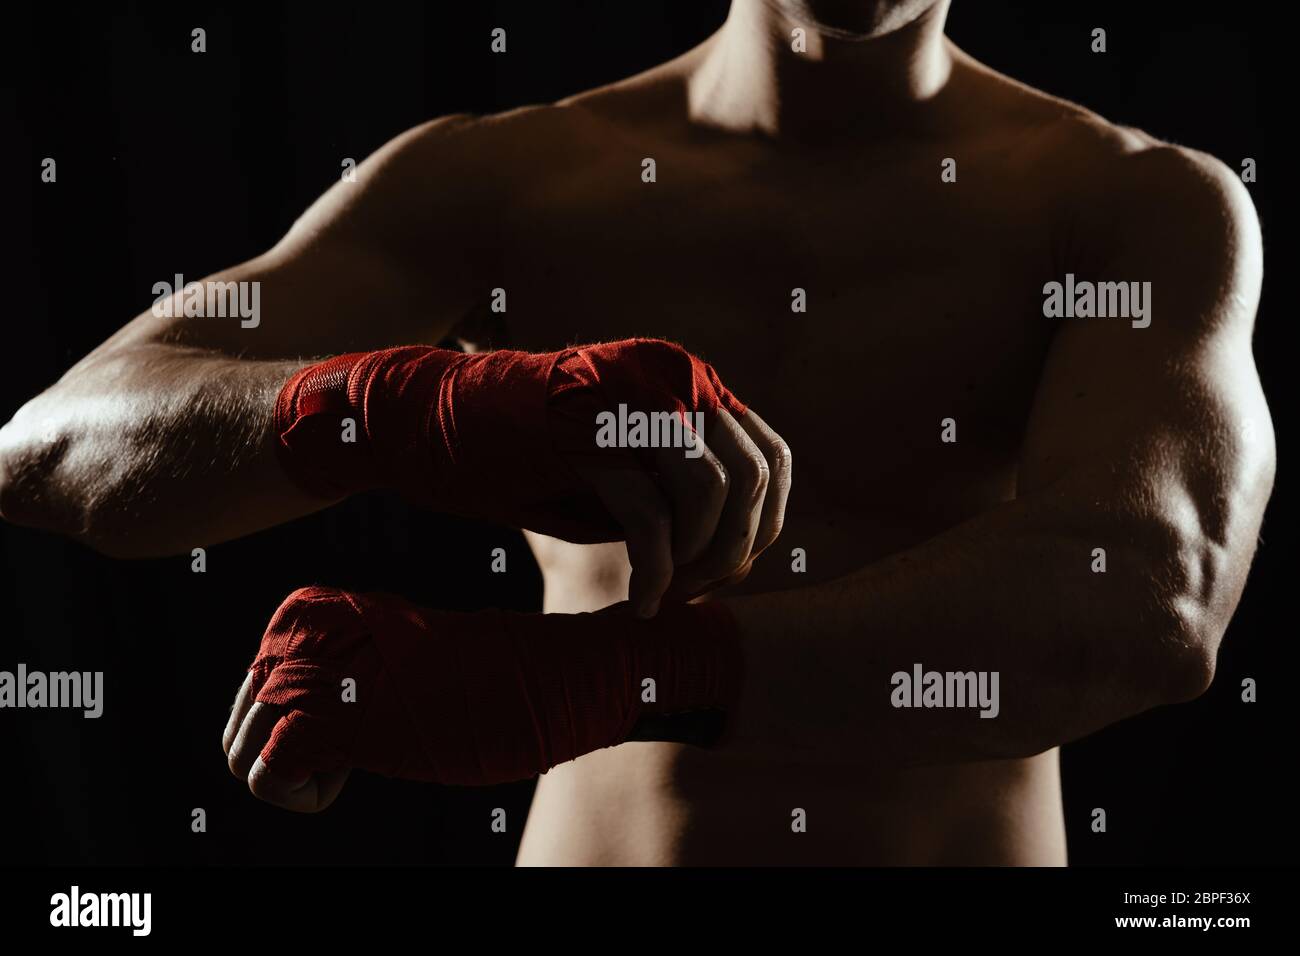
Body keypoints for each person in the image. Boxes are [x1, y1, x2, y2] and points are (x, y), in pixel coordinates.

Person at [0, 0, 1274, 865]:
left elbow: (1148, 595)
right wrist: (406, 405)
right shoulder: (501, 182)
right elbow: (52, 448)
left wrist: (601, 677)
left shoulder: (1132, 204)